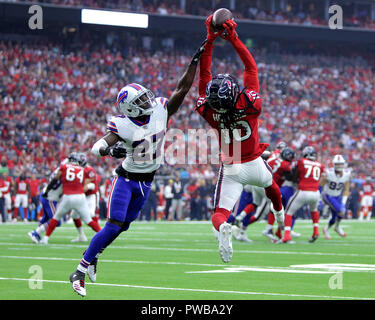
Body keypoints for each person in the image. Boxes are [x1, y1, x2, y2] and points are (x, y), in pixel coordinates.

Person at [69, 41, 206, 297]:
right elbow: (97, 147)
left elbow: (183, 88)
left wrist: (194, 62)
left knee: (124, 225)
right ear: (130, 107)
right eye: (142, 99)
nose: (148, 99)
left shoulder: (160, 111)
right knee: (112, 224)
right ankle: (79, 270)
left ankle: (94, 254)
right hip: (126, 179)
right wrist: (110, 151)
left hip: (146, 182)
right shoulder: (122, 125)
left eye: (145, 95)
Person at [195, 16, 284, 262]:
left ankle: (225, 226)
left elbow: (204, 74)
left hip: (232, 166)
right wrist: (232, 38)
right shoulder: (251, 104)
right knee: (272, 188)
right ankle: (279, 217)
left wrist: (210, 40)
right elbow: (250, 67)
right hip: (255, 162)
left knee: (220, 213)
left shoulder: (209, 112)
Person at [39, 153, 101, 244]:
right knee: (88, 220)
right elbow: (84, 183)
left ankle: (45, 238)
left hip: (68, 196)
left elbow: (55, 179)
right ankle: (103, 236)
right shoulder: (82, 170)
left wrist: (47, 190)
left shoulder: (64, 167)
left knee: (56, 218)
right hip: (80, 196)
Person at [279, 146, 324, 243]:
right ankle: (316, 231)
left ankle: (287, 235)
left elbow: (295, 173)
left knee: (288, 212)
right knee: (314, 210)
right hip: (316, 193)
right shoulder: (320, 165)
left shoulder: (301, 161)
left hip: (303, 191)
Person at [28, 167, 63, 243]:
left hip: (45, 195)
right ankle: (35, 233)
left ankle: (36, 233)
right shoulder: (64, 172)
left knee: (46, 217)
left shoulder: (60, 168)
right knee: (56, 221)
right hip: (50, 198)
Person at [321, 154, 351, 239]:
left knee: (335, 216)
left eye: (341, 164)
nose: (339, 166)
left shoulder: (346, 174)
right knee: (341, 211)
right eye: (337, 164)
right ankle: (337, 227)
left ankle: (326, 228)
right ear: (334, 164)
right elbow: (320, 184)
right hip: (328, 195)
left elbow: (346, 189)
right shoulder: (329, 173)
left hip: (338, 196)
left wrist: (343, 202)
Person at [70, 152, 99, 242]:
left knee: (90, 215)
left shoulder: (89, 170)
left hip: (90, 196)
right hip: (82, 196)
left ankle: (101, 234)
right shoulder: (80, 170)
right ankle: (81, 236)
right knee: (74, 215)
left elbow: (88, 185)